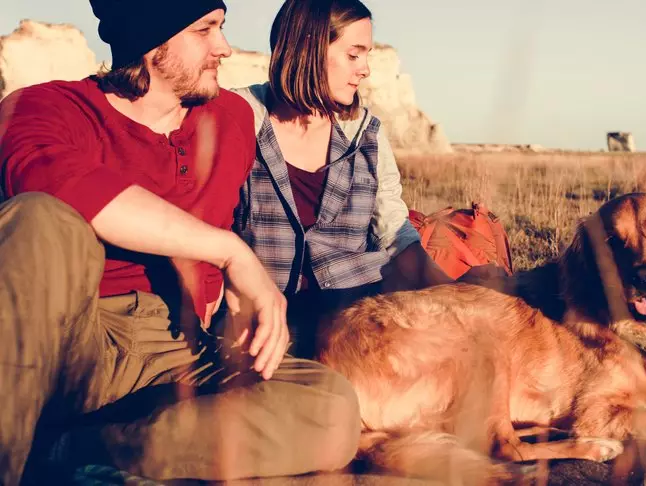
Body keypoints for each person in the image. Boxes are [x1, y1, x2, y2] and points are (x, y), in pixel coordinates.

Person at [0, 1, 360, 484]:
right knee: (41, 217)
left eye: (222, 28)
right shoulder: (48, 106)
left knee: (329, 409)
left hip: (171, 341)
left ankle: (76, 447)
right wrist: (228, 251)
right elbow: (58, 184)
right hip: (66, 332)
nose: (225, 48)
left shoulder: (229, 118)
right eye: (205, 30)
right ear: (152, 42)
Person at [232, 0, 453, 359]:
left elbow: (394, 232)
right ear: (309, 48)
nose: (365, 70)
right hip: (261, 332)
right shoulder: (241, 119)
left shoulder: (366, 134)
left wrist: (455, 293)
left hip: (359, 325)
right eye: (354, 55)